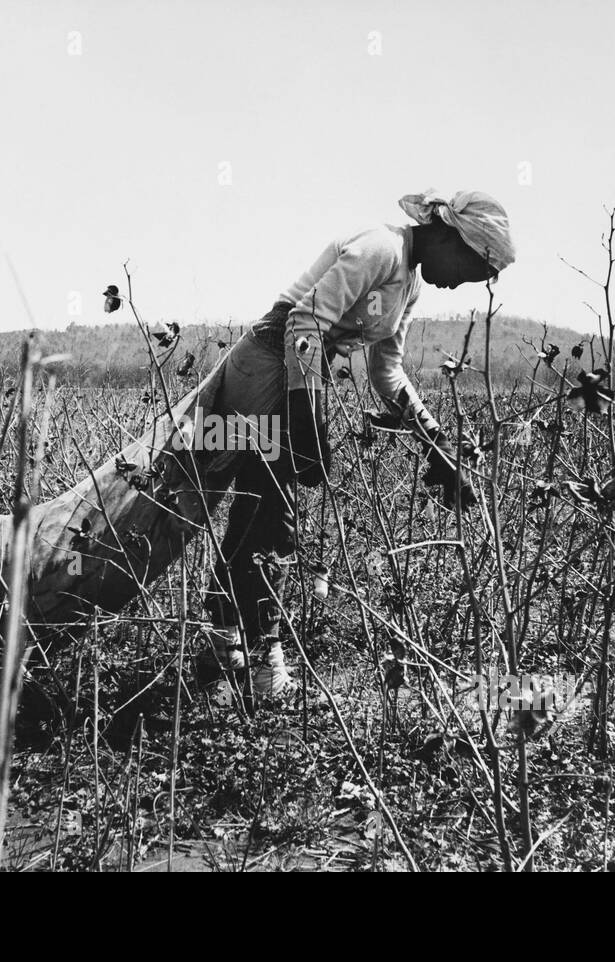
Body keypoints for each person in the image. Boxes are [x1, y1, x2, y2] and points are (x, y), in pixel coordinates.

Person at [200, 189, 517, 698]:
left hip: (298, 372)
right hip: (265, 367)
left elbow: (386, 373)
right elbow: (303, 323)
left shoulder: (409, 285)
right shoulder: (382, 248)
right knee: (272, 515)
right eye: (467, 268)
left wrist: (435, 440)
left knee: (256, 510)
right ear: (449, 237)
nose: (458, 283)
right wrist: (307, 414)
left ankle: (222, 645)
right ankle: (265, 667)